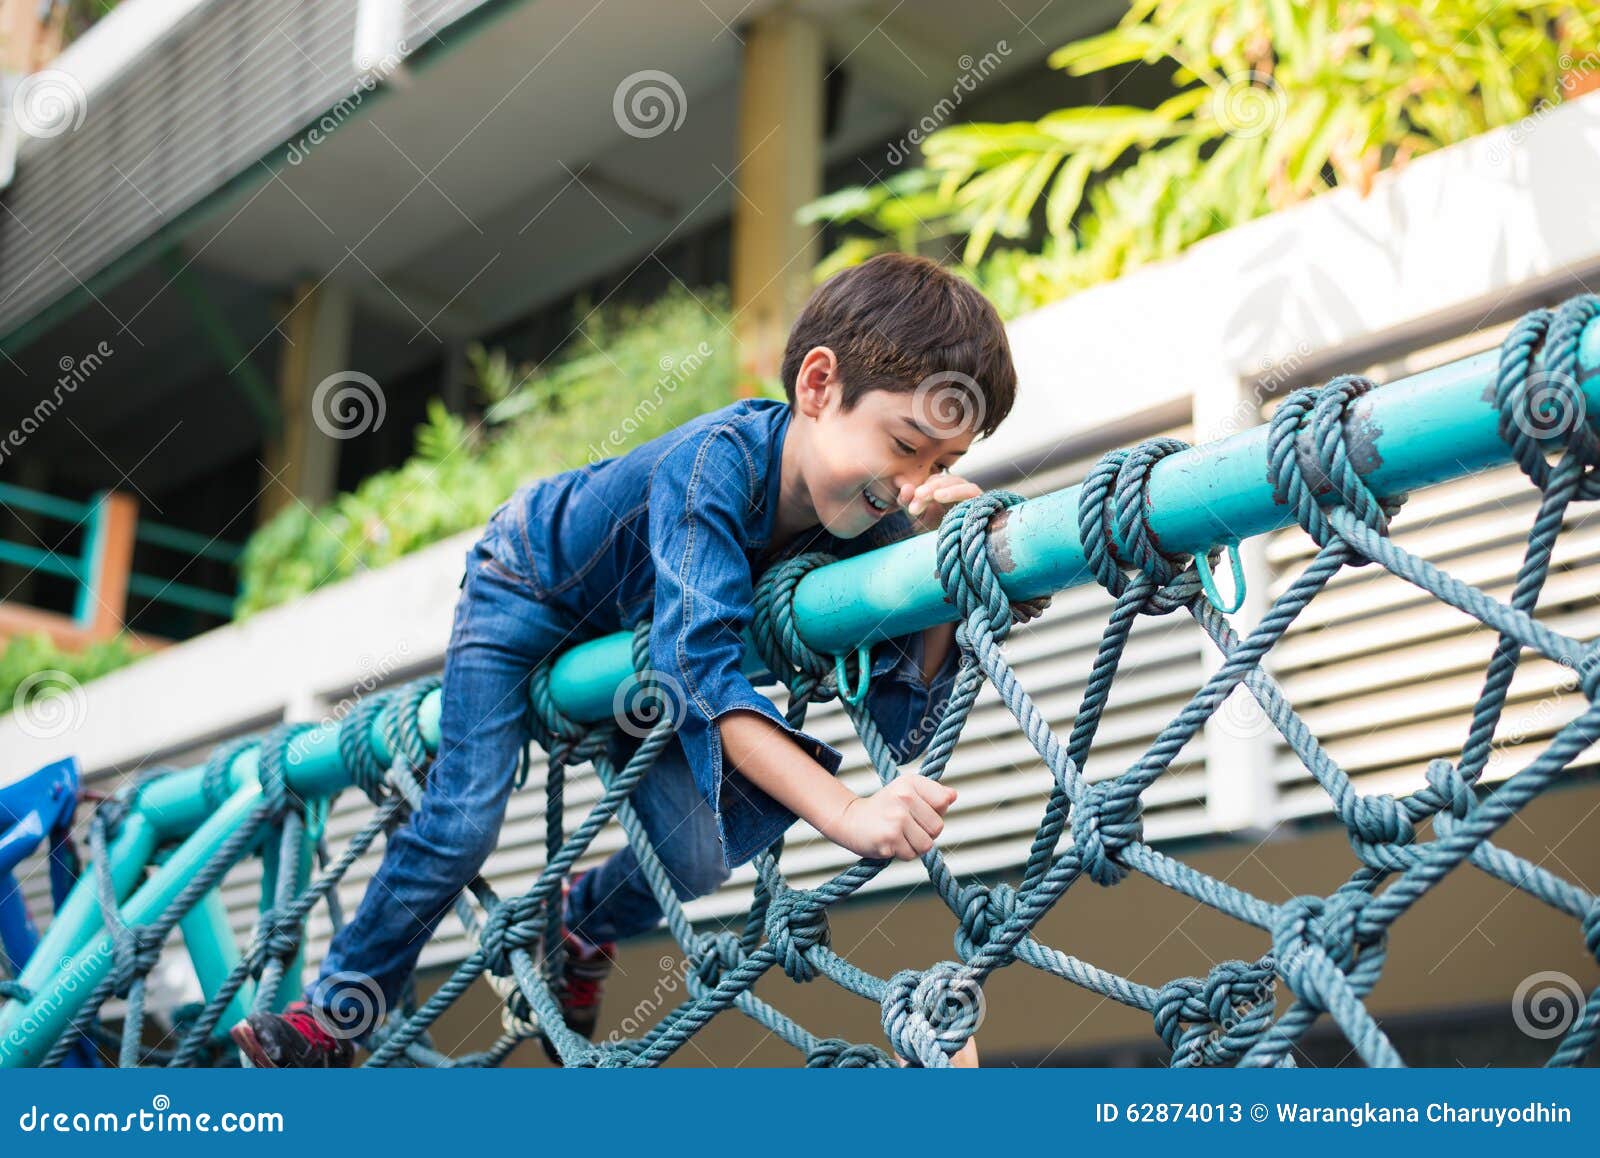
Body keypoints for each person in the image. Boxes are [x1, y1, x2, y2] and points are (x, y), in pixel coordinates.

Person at [230, 253, 1022, 1069]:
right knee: (463, 819)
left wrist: (943, 581)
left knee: (699, 853)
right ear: (817, 387)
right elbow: (702, 674)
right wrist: (848, 814)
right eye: (905, 446)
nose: (911, 485)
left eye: (940, 466)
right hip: (533, 588)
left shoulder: (877, 520)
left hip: (640, 649)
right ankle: (333, 1018)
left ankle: (580, 926)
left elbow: (907, 720)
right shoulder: (717, 462)